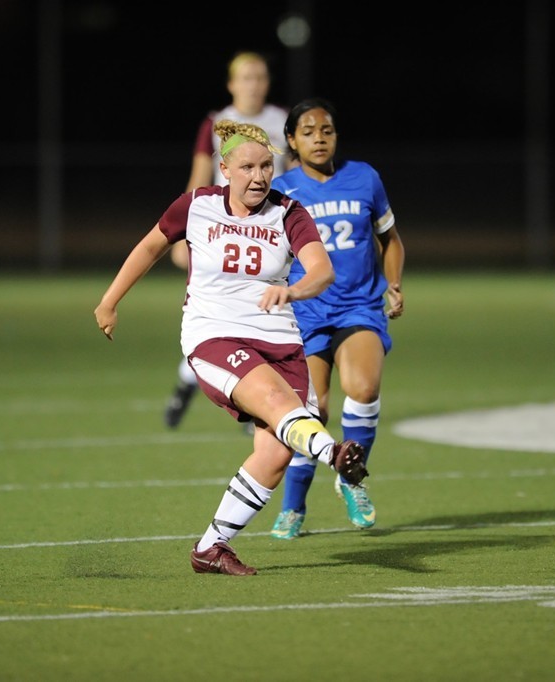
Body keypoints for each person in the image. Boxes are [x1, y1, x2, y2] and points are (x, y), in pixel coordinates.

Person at [94, 120, 368, 576]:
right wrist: (109, 301)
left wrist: (294, 292)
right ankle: (334, 454)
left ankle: (211, 547)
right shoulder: (197, 206)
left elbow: (321, 272)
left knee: (276, 452)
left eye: (266, 166)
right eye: (247, 167)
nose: (259, 176)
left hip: (281, 342)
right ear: (224, 169)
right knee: (280, 404)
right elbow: (148, 248)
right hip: (214, 335)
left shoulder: (289, 213)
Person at [267, 98, 405, 540]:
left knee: (363, 389)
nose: (319, 138)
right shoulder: (281, 190)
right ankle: (293, 506)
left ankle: (351, 478)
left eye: (326, 130)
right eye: (307, 132)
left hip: (358, 307)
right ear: (291, 140)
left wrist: (395, 284)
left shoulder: (364, 177)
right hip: (305, 313)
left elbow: (391, 240)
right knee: (313, 411)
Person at [164, 51, 293, 429]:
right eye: (247, 77)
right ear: (232, 84)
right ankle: (191, 383)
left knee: (268, 318)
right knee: (218, 317)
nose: (254, 84)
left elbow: (295, 177)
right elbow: (198, 180)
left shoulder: (281, 120)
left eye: (260, 77)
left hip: (270, 232)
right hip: (222, 235)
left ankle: (257, 405)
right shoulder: (216, 122)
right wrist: (180, 235)